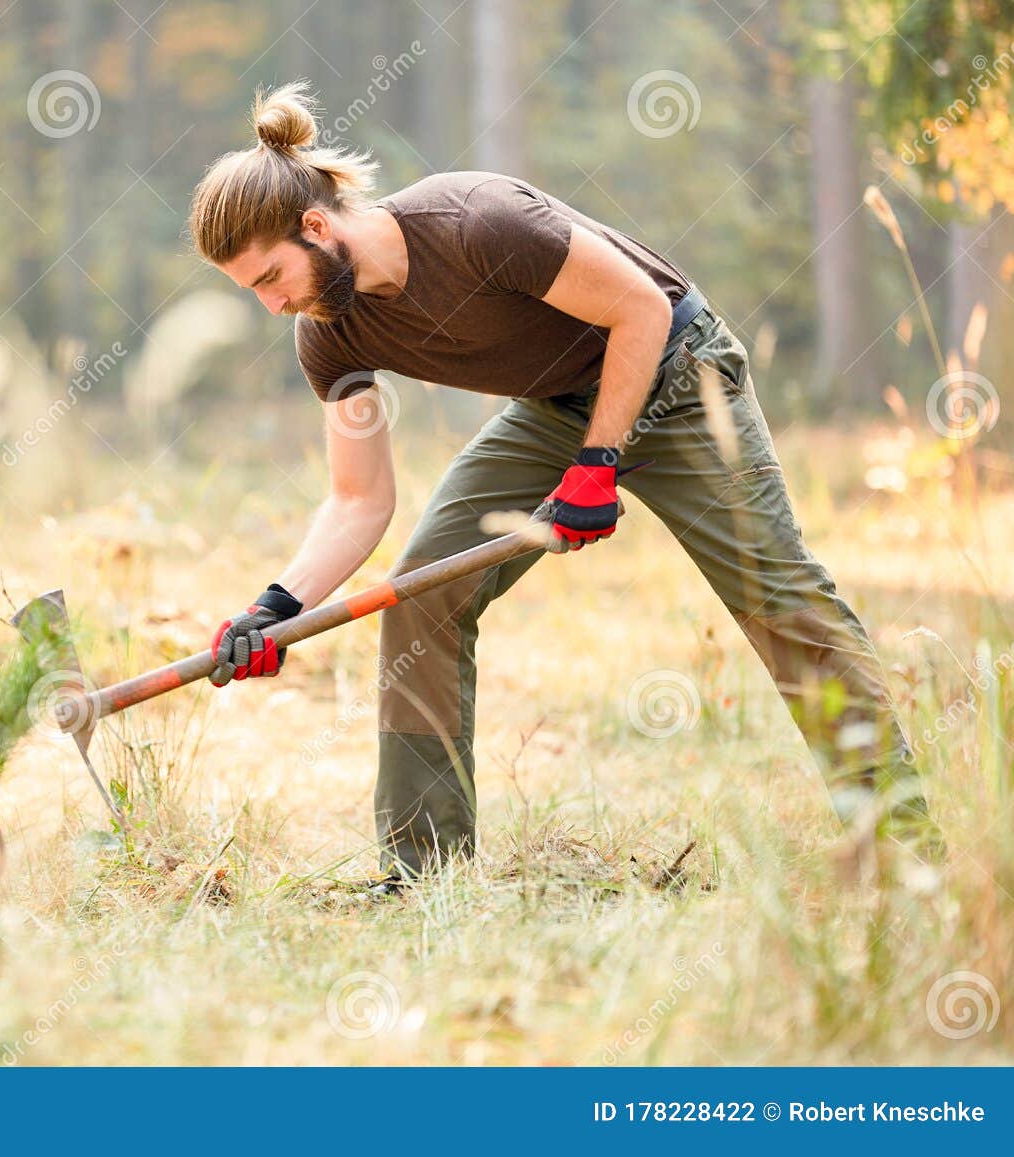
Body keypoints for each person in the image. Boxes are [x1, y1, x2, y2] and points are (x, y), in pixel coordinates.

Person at [186, 82, 938, 887]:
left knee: (778, 596)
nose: (273, 305)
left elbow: (642, 309)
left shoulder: (476, 222)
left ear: (315, 226)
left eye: (272, 277)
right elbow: (359, 498)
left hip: (679, 376)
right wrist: (277, 605)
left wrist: (598, 463)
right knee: (419, 597)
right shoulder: (327, 335)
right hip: (554, 406)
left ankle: (902, 846)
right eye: (254, 292)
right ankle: (424, 873)